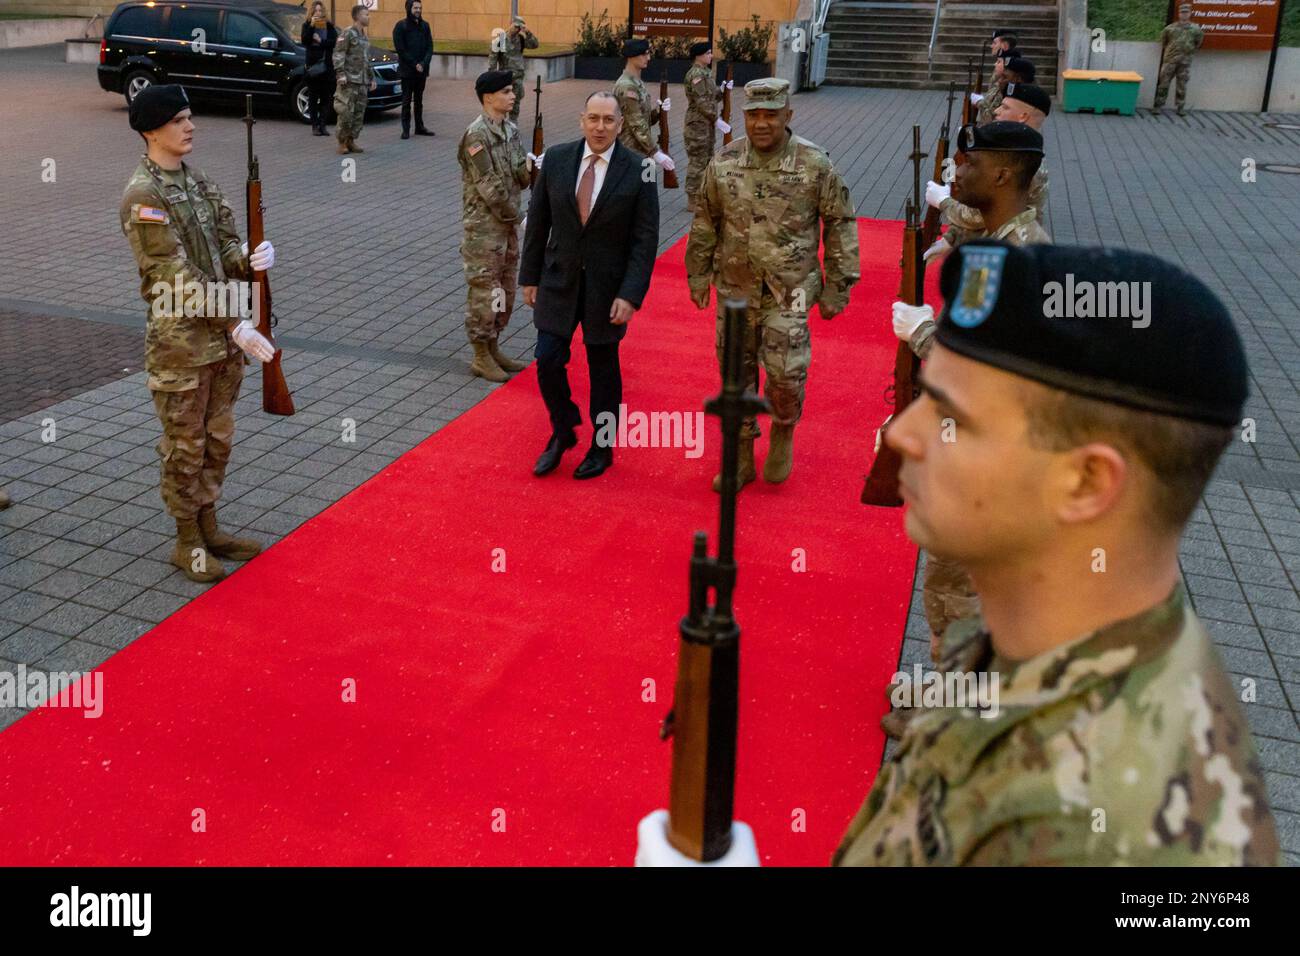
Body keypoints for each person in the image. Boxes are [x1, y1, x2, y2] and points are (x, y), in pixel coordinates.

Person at [836, 240, 1280, 865]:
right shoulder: (1023, 644)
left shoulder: (1118, 833)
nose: (903, 434)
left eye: (951, 417)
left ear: (1087, 483)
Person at [888, 122, 1050, 690]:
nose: (957, 171)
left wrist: (925, 335)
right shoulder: (993, 242)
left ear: (1003, 173)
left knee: (964, 590)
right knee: (955, 588)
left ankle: (959, 723)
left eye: (970, 163)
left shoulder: (1022, 256)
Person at [118, 85, 276, 584]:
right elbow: (173, 277)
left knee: (218, 439)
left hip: (223, 342)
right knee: (185, 446)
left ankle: (210, 525)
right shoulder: (144, 195)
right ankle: (186, 539)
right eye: (178, 119)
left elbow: (225, 241)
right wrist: (236, 320)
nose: (190, 126)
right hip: (181, 347)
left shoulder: (197, 180)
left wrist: (248, 255)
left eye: (190, 117)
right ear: (150, 130)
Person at [684, 78, 859, 490]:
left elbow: (839, 223)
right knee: (735, 377)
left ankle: (783, 427)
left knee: (785, 375)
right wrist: (697, 272)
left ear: (787, 116)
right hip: (735, 289)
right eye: (753, 115)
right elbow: (706, 220)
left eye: (771, 115)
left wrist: (839, 284)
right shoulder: (724, 161)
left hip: (790, 291)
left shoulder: (814, 164)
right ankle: (741, 455)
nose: (761, 123)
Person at [519, 91, 659, 480]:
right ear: (582, 120)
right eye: (593, 119)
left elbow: (645, 240)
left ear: (621, 124)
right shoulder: (559, 159)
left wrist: (631, 294)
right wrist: (529, 276)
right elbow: (539, 221)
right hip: (558, 279)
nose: (600, 127)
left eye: (608, 120)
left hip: (607, 290)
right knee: (547, 358)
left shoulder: (639, 169)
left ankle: (602, 447)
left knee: (603, 371)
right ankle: (563, 430)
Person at [458, 70, 531, 382]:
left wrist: (530, 166)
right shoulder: (476, 136)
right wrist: (518, 216)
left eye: (512, 90)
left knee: (505, 289)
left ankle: (493, 345)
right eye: (506, 91)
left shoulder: (510, 130)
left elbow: (521, 178)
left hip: (507, 227)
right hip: (485, 229)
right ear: (488, 97)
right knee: (485, 290)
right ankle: (479, 353)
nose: (512, 96)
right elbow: (489, 187)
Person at [927, 82, 1051, 256]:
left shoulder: (1019, 259)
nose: (996, 111)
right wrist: (952, 236)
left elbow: (980, 214)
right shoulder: (1014, 152)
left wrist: (944, 201)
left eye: (1005, 107)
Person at [613, 37, 675, 177]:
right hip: (631, 153)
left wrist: (659, 112)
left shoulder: (636, 83)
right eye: (644, 54)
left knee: (647, 195)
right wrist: (655, 152)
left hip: (641, 150)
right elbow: (636, 124)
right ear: (632, 57)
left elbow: (643, 119)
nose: (648, 57)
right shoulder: (627, 86)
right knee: (634, 196)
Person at [682, 39, 730, 211]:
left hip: (706, 124)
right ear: (699, 56)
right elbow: (701, 102)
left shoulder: (705, 73)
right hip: (697, 125)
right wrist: (716, 119)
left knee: (707, 159)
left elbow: (711, 97)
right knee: (697, 162)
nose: (711, 55)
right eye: (708, 53)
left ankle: (703, 195)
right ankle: (692, 199)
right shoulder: (696, 75)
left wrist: (723, 90)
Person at [333, 4, 377, 154]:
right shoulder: (348, 33)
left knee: (358, 114)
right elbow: (338, 54)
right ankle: (342, 142)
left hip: (362, 82)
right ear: (357, 17)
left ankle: (351, 140)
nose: (368, 17)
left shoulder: (364, 36)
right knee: (346, 113)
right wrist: (341, 74)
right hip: (349, 81)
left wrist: (371, 78)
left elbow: (366, 60)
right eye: (366, 14)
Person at [1154, 3, 1204, 117]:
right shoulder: (1170, 29)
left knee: (1182, 84)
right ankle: (1158, 106)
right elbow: (1164, 42)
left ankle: (1180, 107)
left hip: (1185, 62)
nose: (1184, 15)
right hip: (1170, 60)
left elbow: (1198, 43)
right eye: (1182, 13)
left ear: (1190, 13)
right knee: (1163, 83)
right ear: (1179, 14)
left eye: (1186, 13)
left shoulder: (1196, 29)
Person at [393, 0, 434, 139]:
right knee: (406, 101)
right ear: (409, 8)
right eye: (415, 7)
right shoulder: (401, 26)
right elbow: (400, 49)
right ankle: (405, 129)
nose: (418, 10)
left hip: (421, 71)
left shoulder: (425, 26)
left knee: (419, 100)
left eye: (420, 8)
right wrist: (414, 63)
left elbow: (430, 47)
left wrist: (423, 63)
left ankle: (419, 127)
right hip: (407, 71)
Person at [488, 15, 538, 124]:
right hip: (505, 77)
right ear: (510, 23)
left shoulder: (521, 39)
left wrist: (528, 33)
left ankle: (513, 123)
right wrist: (492, 76)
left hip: (518, 77)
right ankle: (499, 121)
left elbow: (535, 45)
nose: (517, 29)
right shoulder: (500, 40)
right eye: (515, 26)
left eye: (519, 28)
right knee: (502, 100)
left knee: (515, 101)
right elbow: (493, 59)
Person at [301, 1, 338, 137]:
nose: (318, 13)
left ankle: (323, 125)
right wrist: (311, 27)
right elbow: (305, 40)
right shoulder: (306, 25)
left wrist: (320, 41)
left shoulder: (328, 26)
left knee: (326, 98)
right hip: (313, 67)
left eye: (320, 11)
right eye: (316, 11)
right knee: (313, 97)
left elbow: (334, 42)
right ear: (311, 12)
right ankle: (314, 125)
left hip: (326, 67)